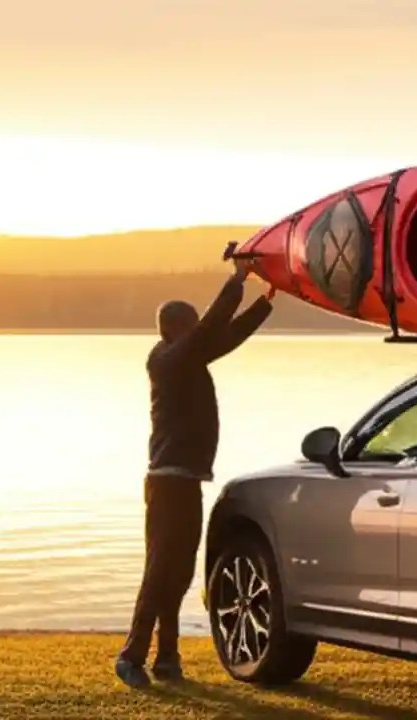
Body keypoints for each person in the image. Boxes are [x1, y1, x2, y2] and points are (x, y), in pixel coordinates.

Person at [115, 260, 276, 688]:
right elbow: (211, 331)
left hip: (185, 480)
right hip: (168, 482)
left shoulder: (183, 357)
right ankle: (131, 655)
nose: (195, 331)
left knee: (181, 570)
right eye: (189, 326)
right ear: (174, 330)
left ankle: (167, 657)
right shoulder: (167, 361)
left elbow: (225, 337)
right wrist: (238, 280)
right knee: (161, 568)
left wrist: (267, 302)